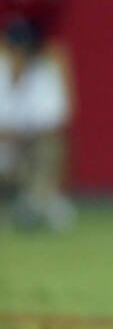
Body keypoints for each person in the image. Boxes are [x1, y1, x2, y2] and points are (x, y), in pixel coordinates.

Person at [0, 18, 74, 228]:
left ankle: (36, 202)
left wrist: (16, 134)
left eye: (25, 50)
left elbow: (54, 122)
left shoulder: (44, 72)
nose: (19, 55)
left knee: (51, 143)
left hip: (27, 152)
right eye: (15, 49)